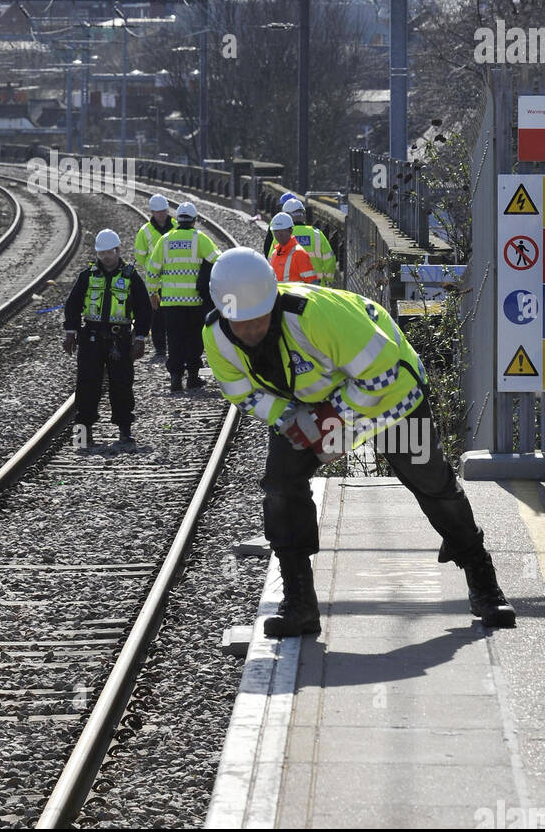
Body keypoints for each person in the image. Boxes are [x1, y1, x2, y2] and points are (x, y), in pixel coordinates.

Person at [202, 248, 515, 637]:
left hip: (392, 400)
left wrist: (330, 421)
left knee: (432, 482)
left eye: (258, 320)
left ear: (274, 302)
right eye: (240, 323)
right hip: (312, 410)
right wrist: (288, 419)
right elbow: (242, 392)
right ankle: (299, 603)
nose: (250, 330)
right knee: (281, 488)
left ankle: (483, 580)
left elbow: (382, 375)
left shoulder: (316, 316)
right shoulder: (217, 336)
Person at [63, 228, 151, 450]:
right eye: (101, 253)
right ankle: (83, 434)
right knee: (86, 386)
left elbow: (144, 309)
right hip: (90, 339)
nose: (105, 257)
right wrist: (70, 332)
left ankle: (125, 431)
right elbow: (72, 305)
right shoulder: (87, 276)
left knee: (122, 386)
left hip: (119, 340)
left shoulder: (131, 277)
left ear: (118, 250)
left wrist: (140, 338)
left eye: (109, 253)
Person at [147, 200, 220, 393]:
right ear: (194, 220)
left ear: (177, 219)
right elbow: (218, 260)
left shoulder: (166, 239)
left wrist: (153, 292)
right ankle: (193, 378)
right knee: (195, 339)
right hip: (194, 301)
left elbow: (152, 269)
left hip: (170, 302)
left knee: (175, 339)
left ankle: (176, 378)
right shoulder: (200, 238)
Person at [134, 194, 175, 361]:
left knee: (173, 315)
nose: (161, 214)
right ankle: (160, 349)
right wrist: (152, 270)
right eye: (158, 212)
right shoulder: (145, 231)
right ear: (152, 212)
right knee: (157, 316)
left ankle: (174, 346)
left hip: (175, 280)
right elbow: (140, 256)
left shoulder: (176, 226)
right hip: (156, 281)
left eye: (163, 211)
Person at [273, 196, 338, 285]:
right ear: (302, 215)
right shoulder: (316, 234)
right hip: (317, 288)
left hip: (289, 288)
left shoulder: (281, 235)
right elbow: (330, 259)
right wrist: (328, 279)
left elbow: (272, 261)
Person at [269, 211, 318, 284]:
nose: (279, 235)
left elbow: (312, 283)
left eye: (282, 231)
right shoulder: (274, 254)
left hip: (294, 295)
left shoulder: (299, 254)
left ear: (290, 231)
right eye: (276, 231)